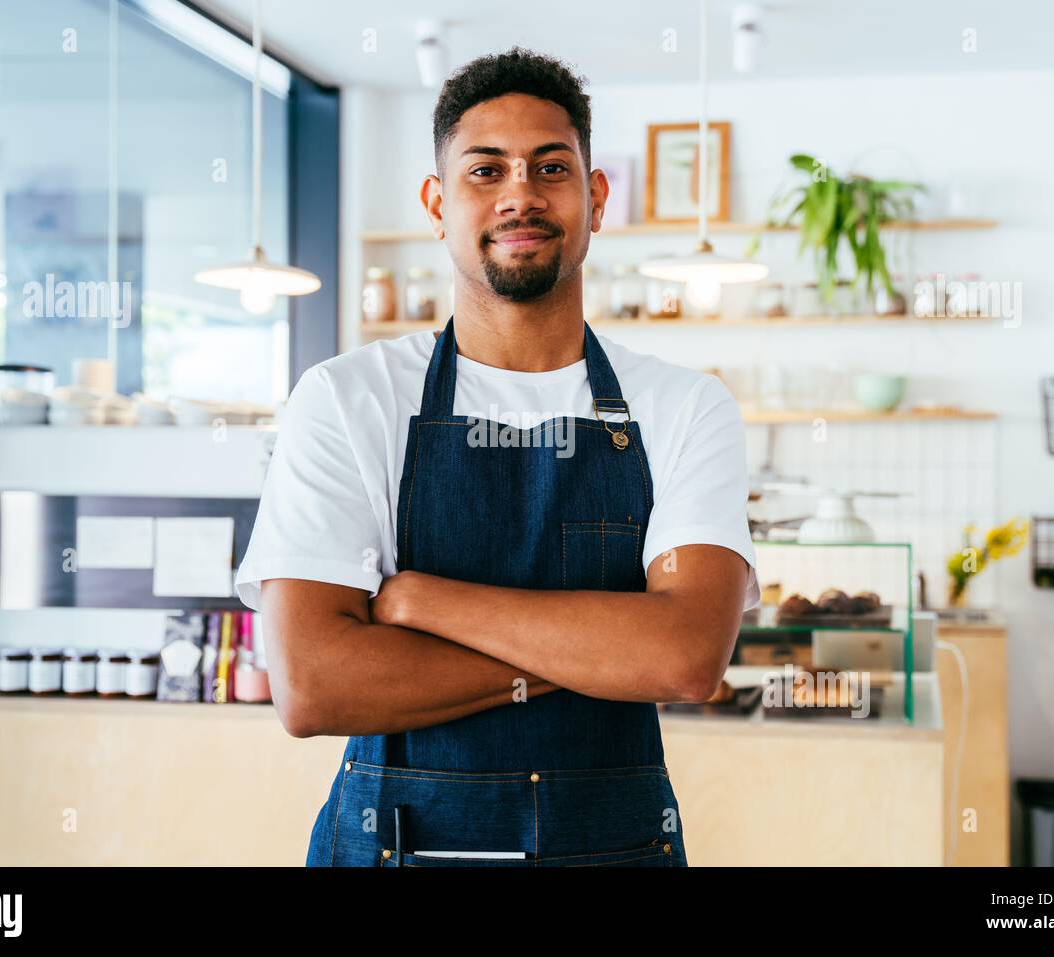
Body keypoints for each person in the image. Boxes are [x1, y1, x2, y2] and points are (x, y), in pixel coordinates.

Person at [235, 47, 759, 868]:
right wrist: (597, 650)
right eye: (486, 170)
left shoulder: (686, 405)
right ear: (438, 205)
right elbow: (312, 685)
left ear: (595, 199)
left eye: (551, 167)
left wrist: (419, 601)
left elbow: (685, 657)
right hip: (395, 848)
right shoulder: (345, 398)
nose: (520, 192)